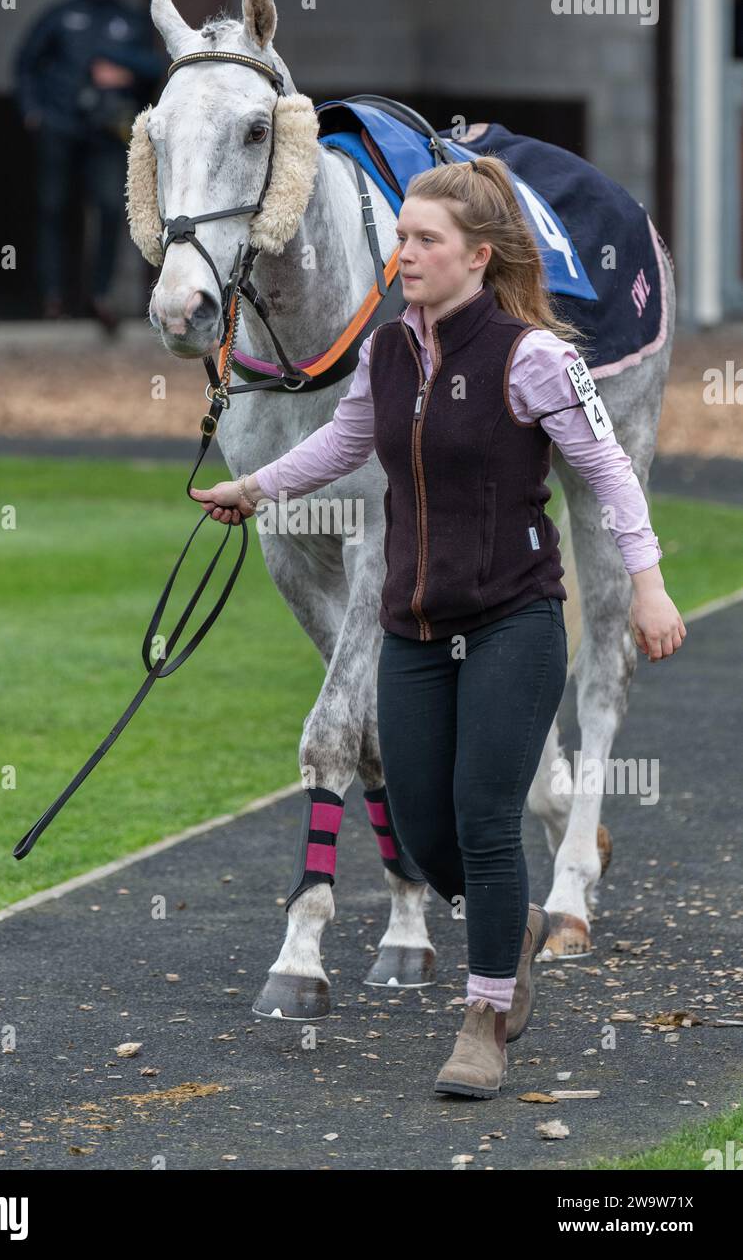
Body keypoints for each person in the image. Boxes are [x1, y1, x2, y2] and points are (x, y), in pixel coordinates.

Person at [189, 156, 686, 1099]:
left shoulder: (537, 358)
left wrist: (650, 589)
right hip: (414, 627)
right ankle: (518, 925)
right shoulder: (388, 352)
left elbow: (614, 476)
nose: (403, 256)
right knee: (422, 817)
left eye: (424, 243)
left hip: (514, 619)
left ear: (477, 257)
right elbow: (341, 443)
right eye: (402, 238)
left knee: (485, 816)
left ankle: (485, 1017)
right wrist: (253, 489)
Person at [12, 0, 165, 335]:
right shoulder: (60, 15)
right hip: (60, 129)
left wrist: (121, 67)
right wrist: (33, 112)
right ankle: (53, 298)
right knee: (54, 209)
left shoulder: (131, 20)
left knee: (112, 209)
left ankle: (99, 295)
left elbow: (158, 65)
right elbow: (26, 62)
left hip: (108, 133)